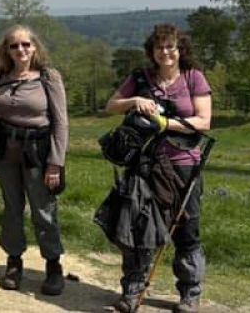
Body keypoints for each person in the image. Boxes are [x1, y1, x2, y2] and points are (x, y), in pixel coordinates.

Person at [105, 24, 212, 313]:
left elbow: (204, 121)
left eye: (170, 47)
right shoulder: (141, 78)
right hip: (145, 165)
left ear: (180, 50)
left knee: (186, 229)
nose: (165, 52)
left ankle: (190, 293)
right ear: (151, 51)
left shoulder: (193, 78)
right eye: (159, 47)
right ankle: (132, 291)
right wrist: (134, 101)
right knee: (139, 229)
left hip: (183, 166)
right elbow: (111, 105)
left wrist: (166, 124)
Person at [0, 25, 69, 296]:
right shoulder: (1, 77)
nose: (21, 50)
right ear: (6, 50)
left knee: (43, 210)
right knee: (12, 209)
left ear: (35, 47)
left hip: (38, 153)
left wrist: (56, 163)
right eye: (14, 45)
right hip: (6, 151)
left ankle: (53, 266)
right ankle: (14, 263)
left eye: (26, 44)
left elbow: (61, 122)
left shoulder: (48, 77)